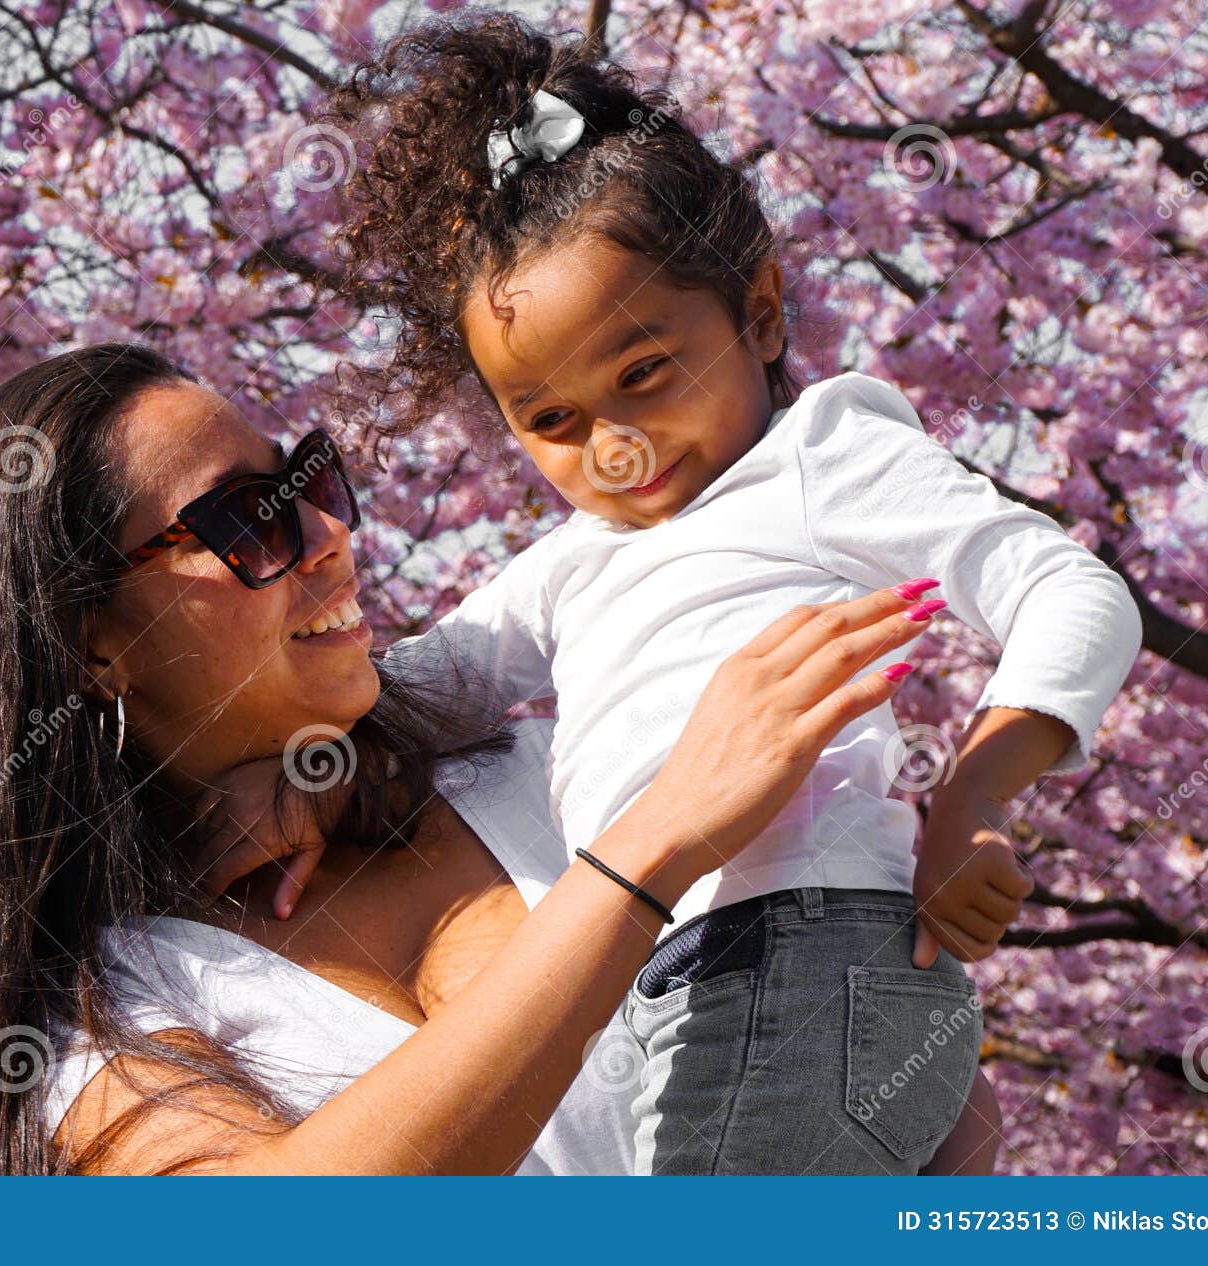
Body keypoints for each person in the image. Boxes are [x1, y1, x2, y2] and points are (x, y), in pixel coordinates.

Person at [228, 13, 1143, 1175]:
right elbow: (415, 690)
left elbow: (1068, 587)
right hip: (681, 979)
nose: (611, 447)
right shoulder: (580, 557)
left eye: (645, 375)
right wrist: (290, 787)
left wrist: (976, 793)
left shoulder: (815, 458)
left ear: (758, 312)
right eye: (550, 422)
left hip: (811, 951)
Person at [0, 341, 933, 1175]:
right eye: (247, 521)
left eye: (310, 482)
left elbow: (891, 1049)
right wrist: (646, 855)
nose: (326, 535)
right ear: (91, 643)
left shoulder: (550, 772)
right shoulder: (92, 1009)